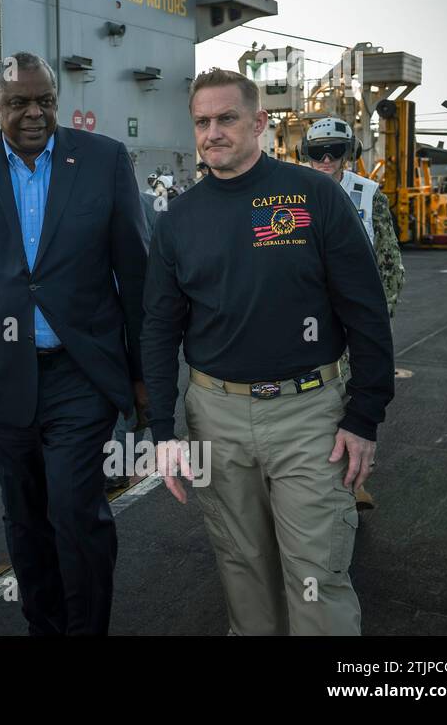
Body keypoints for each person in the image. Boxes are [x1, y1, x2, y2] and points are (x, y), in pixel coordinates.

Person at [141, 68, 394, 636]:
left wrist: (364, 416)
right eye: (202, 122)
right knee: (242, 565)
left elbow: (365, 311)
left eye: (226, 118)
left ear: (258, 122)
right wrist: (163, 431)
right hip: (216, 417)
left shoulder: (314, 196)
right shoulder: (178, 220)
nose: (213, 132)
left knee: (316, 572)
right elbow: (159, 329)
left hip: (310, 416)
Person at [0, 51, 149, 636]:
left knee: (74, 511)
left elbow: (136, 277)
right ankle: (46, 627)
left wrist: (145, 377)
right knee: (25, 519)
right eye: (19, 103)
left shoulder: (105, 161)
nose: (34, 112)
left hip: (80, 374)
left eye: (45, 101)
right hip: (2, 376)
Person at [301, 115, 405, 510]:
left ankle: (353, 481)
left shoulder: (367, 194)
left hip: (353, 317)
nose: (326, 159)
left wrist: (376, 319)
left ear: (350, 154)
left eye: (336, 151)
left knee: (353, 399)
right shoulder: (292, 191)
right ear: (305, 154)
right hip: (307, 317)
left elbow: (389, 263)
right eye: (317, 152)